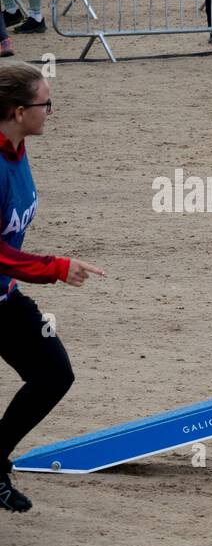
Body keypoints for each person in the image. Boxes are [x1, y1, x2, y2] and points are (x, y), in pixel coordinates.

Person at [0, 61, 105, 513]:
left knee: (53, 373)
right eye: (46, 103)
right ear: (20, 111)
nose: (51, 111)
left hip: (3, 296)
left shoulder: (16, 150)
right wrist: (55, 267)